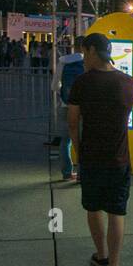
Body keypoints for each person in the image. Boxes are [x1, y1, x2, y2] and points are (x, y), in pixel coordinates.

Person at [67, 32, 133, 266]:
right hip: (118, 159)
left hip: (91, 159)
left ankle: (101, 255)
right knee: (117, 211)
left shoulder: (81, 83)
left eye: (84, 53)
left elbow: (72, 123)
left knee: (93, 207)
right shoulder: (128, 82)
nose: (83, 58)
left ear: (92, 51)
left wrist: (78, 152)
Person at [56, 37, 85, 181]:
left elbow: (54, 85)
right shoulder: (87, 62)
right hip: (82, 108)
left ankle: (67, 173)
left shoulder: (63, 61)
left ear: (74, 46)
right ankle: (81, 174)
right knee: (82, 141)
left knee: (65, 141)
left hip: (65, 105)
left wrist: (64, 94)